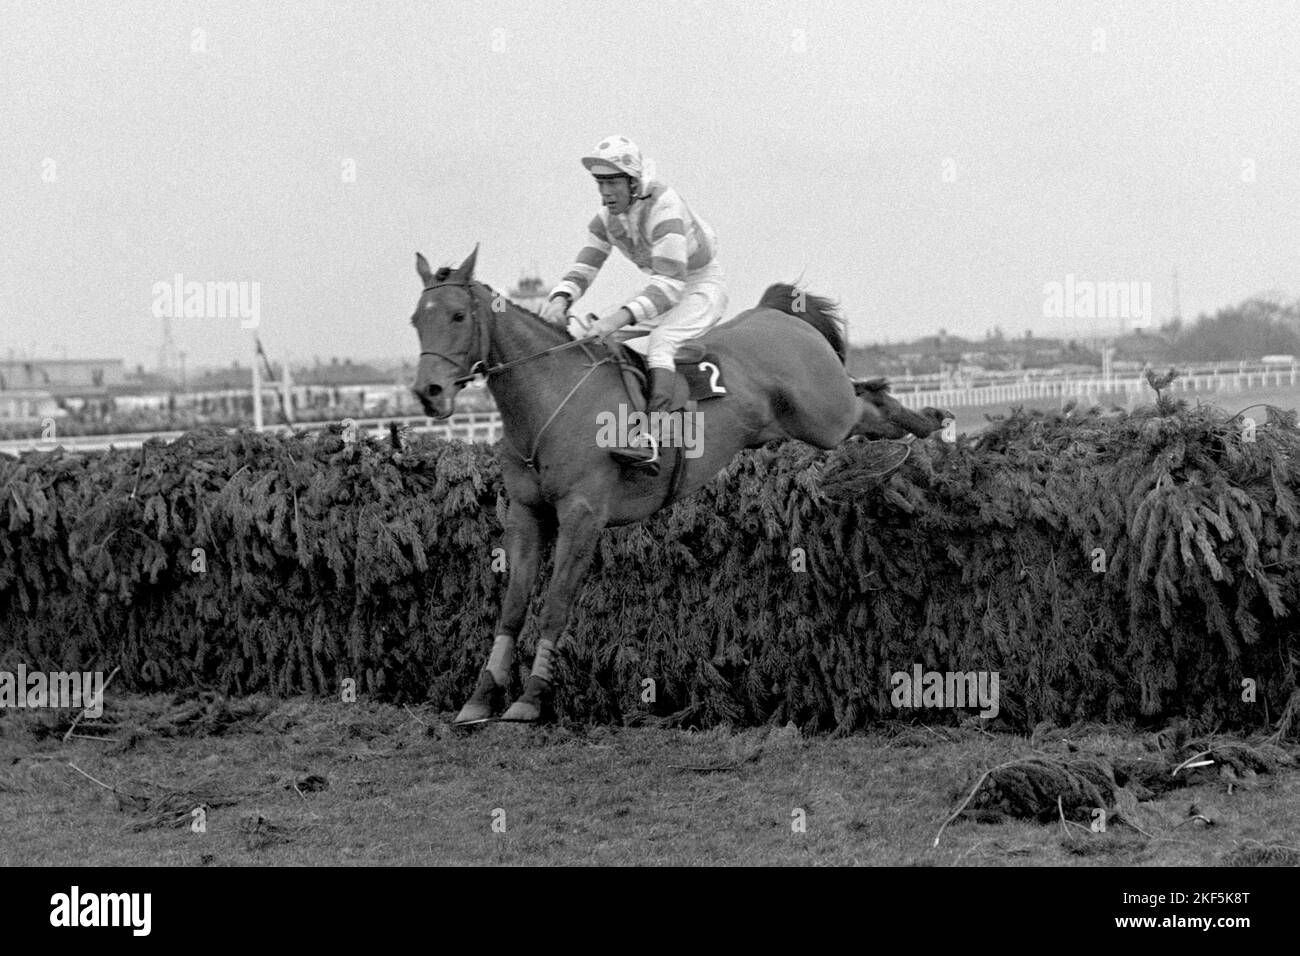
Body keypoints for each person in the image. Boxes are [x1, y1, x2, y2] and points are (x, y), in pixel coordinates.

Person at [540, 136, 728, 471]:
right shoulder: (607, 219)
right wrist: (561, 298)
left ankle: (652, 439)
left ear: (633, 181)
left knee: (661, 342)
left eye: (612, 183)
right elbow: (587, 263)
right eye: (600, 183)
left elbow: (671, 287)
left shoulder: (665, 207)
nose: (605, 193)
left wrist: (615, 319)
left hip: (700, 285)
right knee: (592, 336)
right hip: (664, 284)